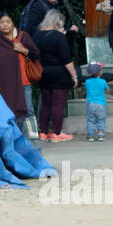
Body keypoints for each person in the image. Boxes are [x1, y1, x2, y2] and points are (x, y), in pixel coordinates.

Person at [32, 9, 78, 141]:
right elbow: (66, 60)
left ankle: (43, 132)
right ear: (58, 21)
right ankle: (56, 132)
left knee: (46, 103)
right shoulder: (59, 37)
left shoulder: (37, 35)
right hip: (59, 74)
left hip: (42, 72)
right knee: (58, 104)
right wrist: (74, 76)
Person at [0, 12, 39, 131]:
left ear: (13, 23)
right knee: (6, 109)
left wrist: (22, 50)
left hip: (23, 81)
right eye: (2, 22)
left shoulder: (22, 36)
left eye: (8, 22)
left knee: (28, 109)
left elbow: (36, 54)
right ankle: (11, 139)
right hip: (5, 83)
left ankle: (31, 138)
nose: (5, 25)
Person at [82, 61, 112, 141]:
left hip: (90, 104)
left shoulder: (87, 82)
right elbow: (107, 90)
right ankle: (101, 135)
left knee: (91, 120)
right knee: (101, 119)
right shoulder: (103, 81)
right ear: (100, 72)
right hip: (101, 104)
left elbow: (86, 89)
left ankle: (90, 136)